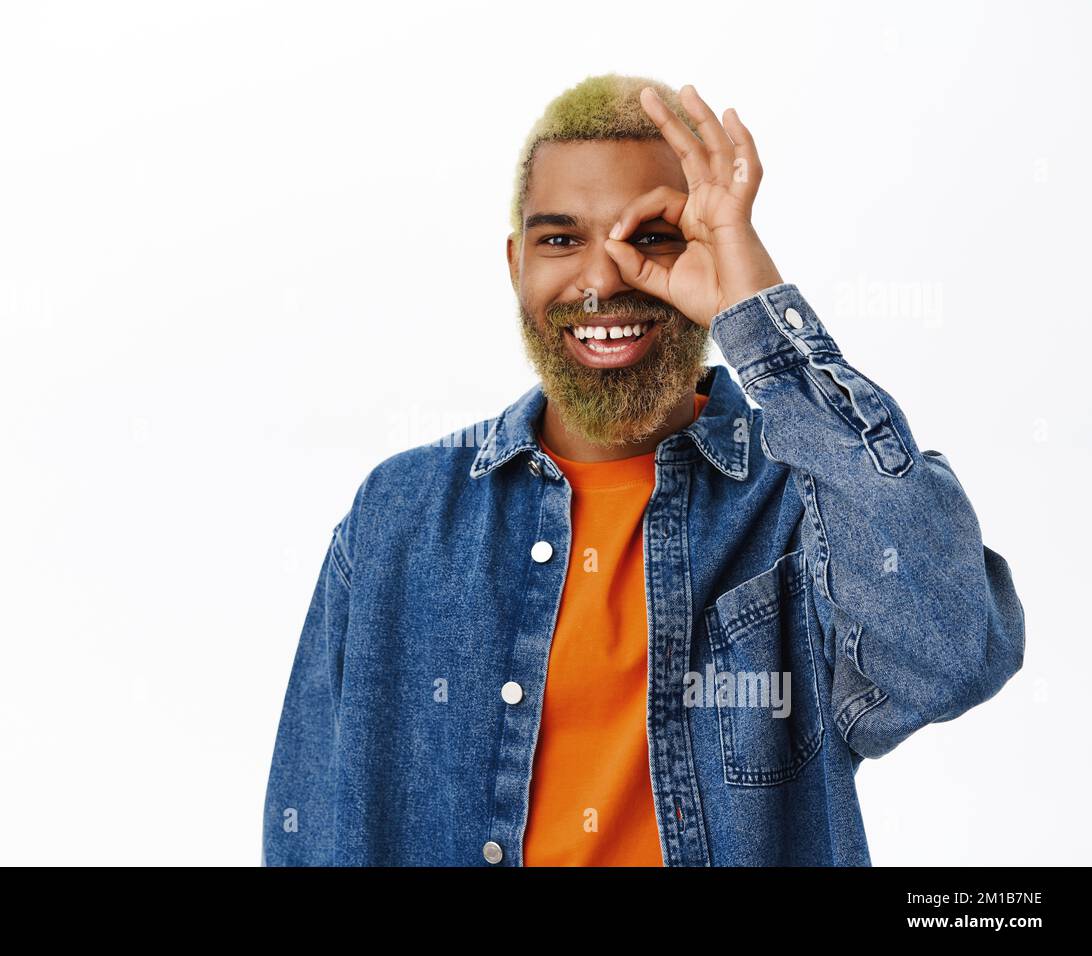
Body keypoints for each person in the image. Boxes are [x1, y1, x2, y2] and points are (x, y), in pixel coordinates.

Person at [261, 73, 1025, 866]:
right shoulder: (401, 514)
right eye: (561, 239)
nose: (604, 280)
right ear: (516, 262)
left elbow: (952, 656)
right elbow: (309, 824)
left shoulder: (804, 499)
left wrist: (754, 308)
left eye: (652, 236)